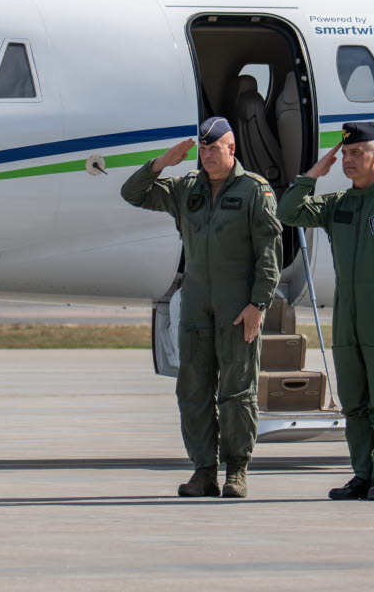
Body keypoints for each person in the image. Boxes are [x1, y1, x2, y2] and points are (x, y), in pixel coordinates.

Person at [121, 117, 280, 498]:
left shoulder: (255, 191)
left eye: (215, 148)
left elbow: (268, 254)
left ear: (232, 149)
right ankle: (203, 470)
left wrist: (259, 304)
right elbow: (133, 193)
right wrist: (163, 162)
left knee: (237, 391)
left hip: (237, 306)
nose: (208, 155)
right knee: (192, 389)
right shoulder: (185, 189)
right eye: (203, 149)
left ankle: (237, 470)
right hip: (195, 305)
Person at [277, 121, 374, 501]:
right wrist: (313, 175)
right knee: (355, 402)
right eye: (344, 154)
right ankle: (361, 474)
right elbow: (288, 212)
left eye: (357, 153)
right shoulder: (338, 205)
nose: (349, 160)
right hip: (347, 316)